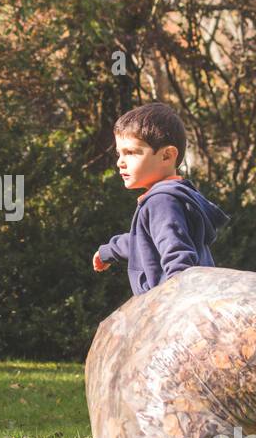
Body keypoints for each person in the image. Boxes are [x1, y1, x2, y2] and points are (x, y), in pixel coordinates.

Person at [92, 103, 229, 296]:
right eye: (119, 153)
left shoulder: (161, 201)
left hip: (178, 308)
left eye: (130, 152)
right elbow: (143, 242)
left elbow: (177, 256)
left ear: (166, 156)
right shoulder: (172, 197)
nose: (119, 162)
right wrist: (109, 251)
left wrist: (177, 298)